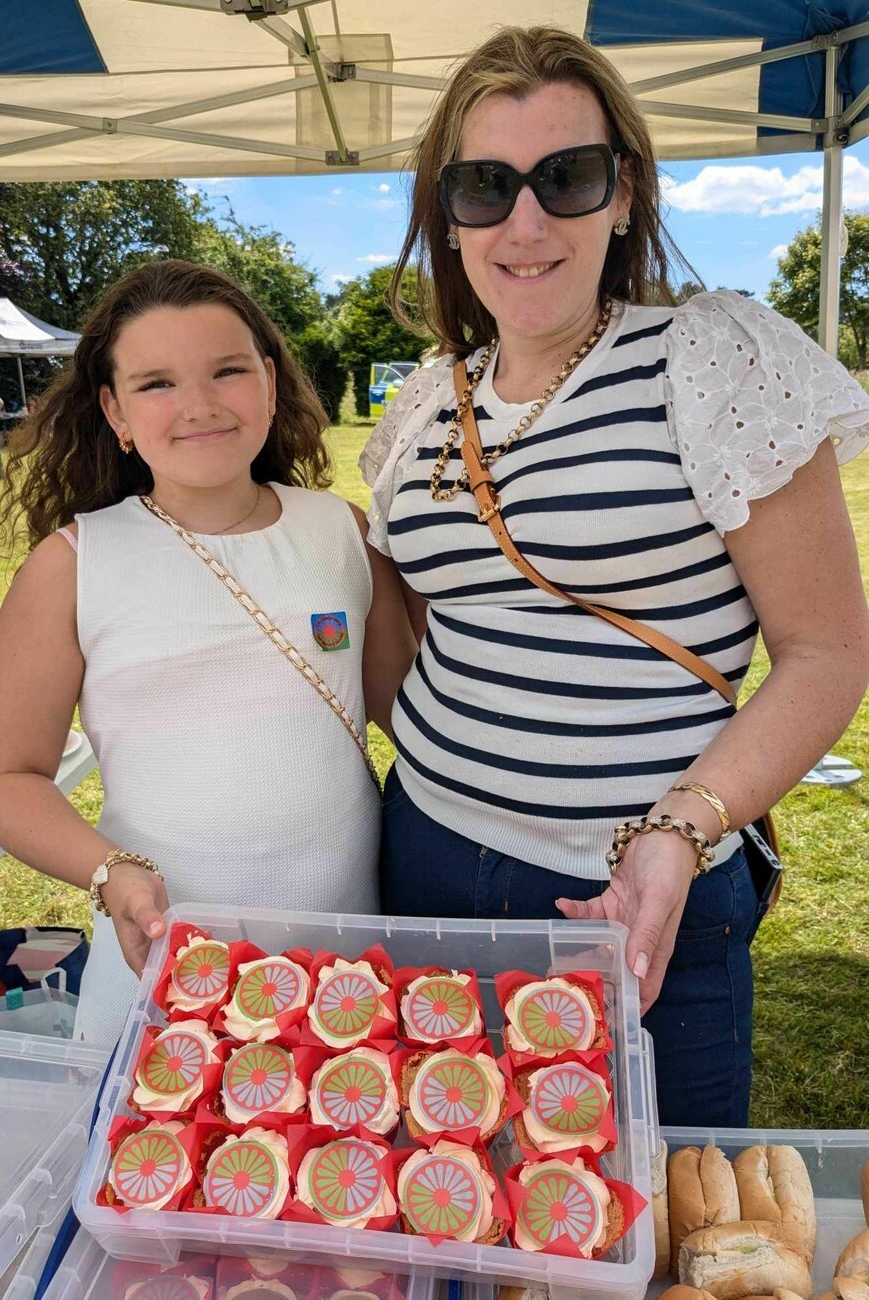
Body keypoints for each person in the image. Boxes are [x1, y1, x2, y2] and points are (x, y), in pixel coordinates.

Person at [360, 26, 869, 1127]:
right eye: (485, 186)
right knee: (447, 1210)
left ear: (624, 193)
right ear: (445, 215)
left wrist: (680, 829)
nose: (525, 221)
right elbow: (401, 643)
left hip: (642, 895)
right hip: (425, 858)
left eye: (566, 177)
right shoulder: (415, 409)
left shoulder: (712, 356)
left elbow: (828, 652)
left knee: (653, 1236)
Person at [0, 259, 415, 1046]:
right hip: (167, 971)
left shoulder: (341, 533)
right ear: (113, 410)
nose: (200, 405)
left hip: (344, 977)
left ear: (271, 384)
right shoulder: (74, 563)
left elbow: (411, 718)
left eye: (227, 371)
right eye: (156, 384)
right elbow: (8, 780)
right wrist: (111, 873)